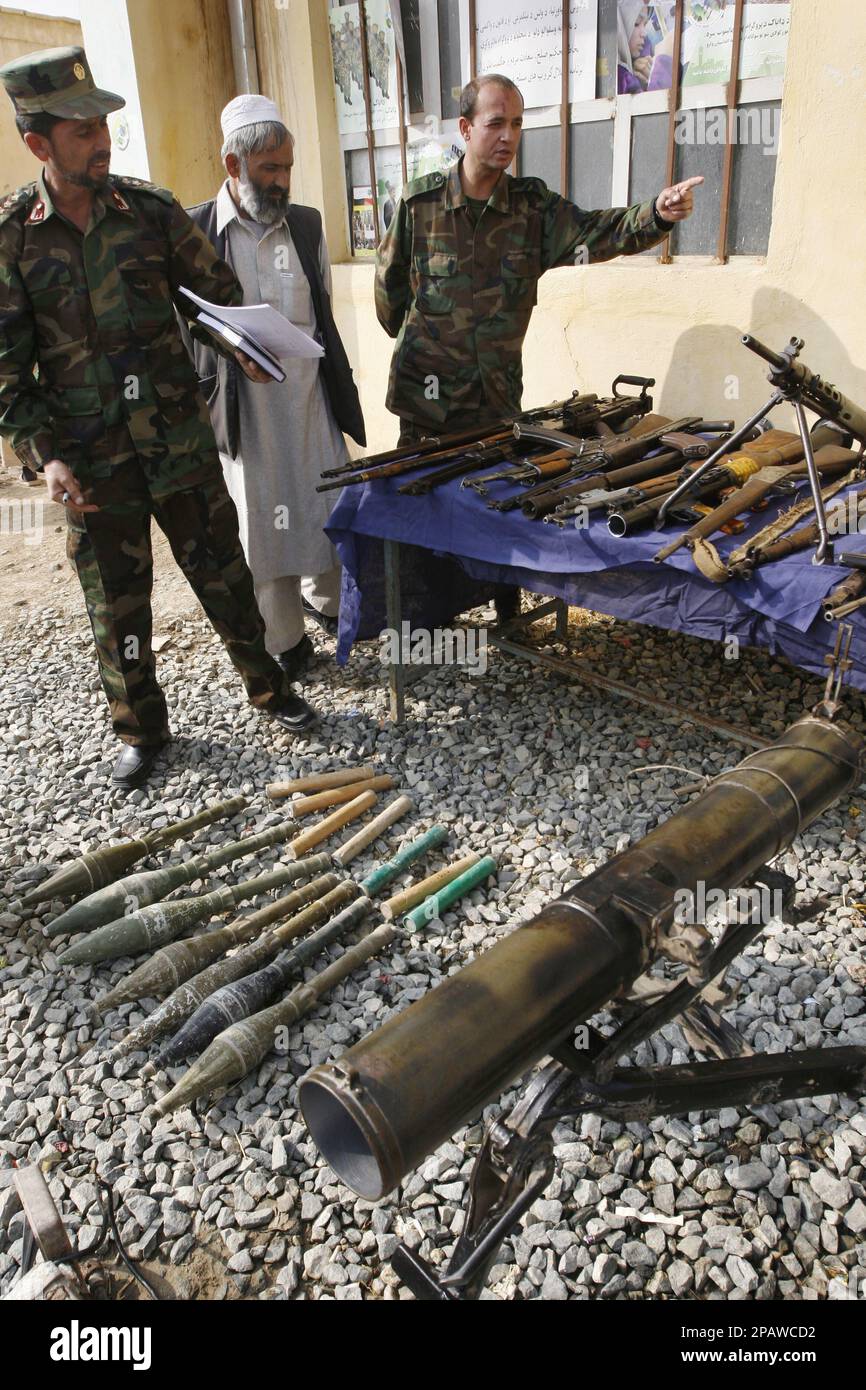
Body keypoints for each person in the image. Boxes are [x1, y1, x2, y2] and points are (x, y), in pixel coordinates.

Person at [0, 47, 318, 790]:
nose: (101, 137)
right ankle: (143, 729)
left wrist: (237, 342)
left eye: (103, 120)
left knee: (224, 575)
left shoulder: (150, 211)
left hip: (177, 438)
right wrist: (42, 454)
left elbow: (214, 295)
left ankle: (269, 687)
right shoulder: (13, 238)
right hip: (91, 461)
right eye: (81, 128)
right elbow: (8, 367)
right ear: (38, 142)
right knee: (116, 607)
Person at [375, 72, 702, 446]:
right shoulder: (421, 206)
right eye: (495, 123)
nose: (508, 136)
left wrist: (656, 214)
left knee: (488, 499)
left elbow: (595, 232)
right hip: (427, 404)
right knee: (416, 500)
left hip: (494, 404)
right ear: (465, 128)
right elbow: (390, 295)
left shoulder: (531, 210)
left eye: (516, 124)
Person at [183, 95, 365, 680]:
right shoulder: (196, 231)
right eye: (270, 170)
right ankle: (285, 643)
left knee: (324, 503)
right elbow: (187, 321)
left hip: (308, 400)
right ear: (233, 166)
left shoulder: (306, 224)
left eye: (288, 167)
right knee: (262, 521)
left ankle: (334, 607)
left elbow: (323, 311)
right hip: (246, 410)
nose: (283, 180)